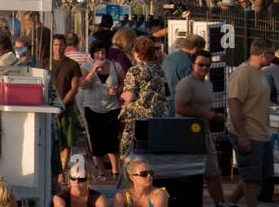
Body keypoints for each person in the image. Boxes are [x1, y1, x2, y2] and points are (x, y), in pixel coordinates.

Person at [224, 39, 274, 207]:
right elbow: (234, 104)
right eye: (270, 53)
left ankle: (228, 204)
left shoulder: (260, 73)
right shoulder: (242, 74)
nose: (272, 57)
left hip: (262, 132)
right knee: (252, 178)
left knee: (255, 174)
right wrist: (242, 135)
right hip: (248, 132)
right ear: (262, 54)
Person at [174, 49, 227, 207]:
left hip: (204, 132)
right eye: (201, 65)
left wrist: (213, 116)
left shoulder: (208, 83)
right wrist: (205, 114)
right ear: (192, 65)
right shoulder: (186, 83)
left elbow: (204, 107)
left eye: (208, 65)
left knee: (213, 172)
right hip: (187, 134)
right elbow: (180, 108)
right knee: (188, 175)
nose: (204, 68)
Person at [118, 36, 169, 168]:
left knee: (129, 153)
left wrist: (122, 94)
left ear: (136, 53)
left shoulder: (135, 70)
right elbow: (166, 91)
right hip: (158, 116)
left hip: (139, 118)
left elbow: (129, 96)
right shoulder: (159, 68)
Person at [81, 42, 122, 182]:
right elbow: (84, 85)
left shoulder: (115, 66)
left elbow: (124, 82)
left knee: (112, 139)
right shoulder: (86, 67)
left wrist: (118, 89)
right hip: (93, 107)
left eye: (103, 53)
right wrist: (93, 70)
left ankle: (116, 170)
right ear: (92, 55)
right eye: (97, 53)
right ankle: (101, 171)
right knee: (96, 140)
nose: (101, 56)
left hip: (112, 107)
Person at [51, 34, 83, 173]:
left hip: (66, 108)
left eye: (61, 45)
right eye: (56, 45)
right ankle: (54, 169)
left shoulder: (72, 65)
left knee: (66, 142)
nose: (58, 48)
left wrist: (61, 105)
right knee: (52, 142)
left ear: (65, 46)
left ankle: (61, 171)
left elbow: (74, 88)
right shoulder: (45, 63)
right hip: (48, 109)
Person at [162, 35, 204, 115]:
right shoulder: (188, 63)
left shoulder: (169, 57)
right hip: (179, 105)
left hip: (165, 102)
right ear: (195, 50)